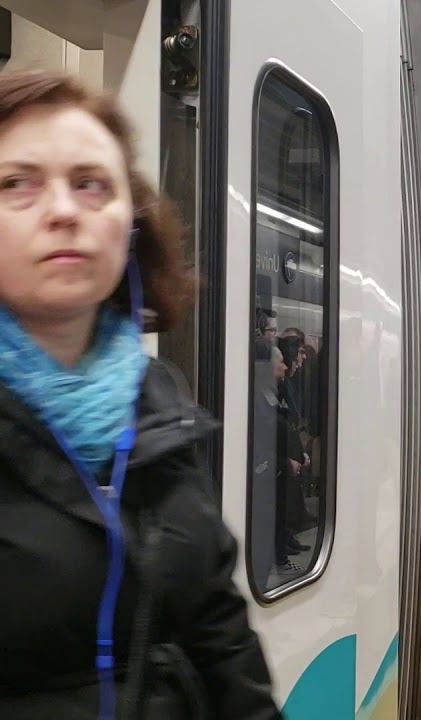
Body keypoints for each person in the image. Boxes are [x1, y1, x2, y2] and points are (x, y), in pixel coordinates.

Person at [0, 70, 279, 717]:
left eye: (91, 184)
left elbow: (216, 627)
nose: (64, 210)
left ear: (130, 224)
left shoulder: (157, 402)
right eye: (17, 184)